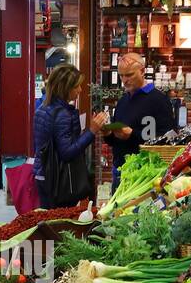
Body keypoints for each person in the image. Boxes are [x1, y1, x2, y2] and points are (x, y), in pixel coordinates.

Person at [32, 63, 106, 209]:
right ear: (65, 88)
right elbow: (67, 152)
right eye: (76, 86)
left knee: (49, 219)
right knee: (60, 223)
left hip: (43, 173)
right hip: (57, 179)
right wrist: (92, 131)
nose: (80, 90)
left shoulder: (43, 107)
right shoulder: (62, 114)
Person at [109, 52, 177, 189]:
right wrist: (108, 135)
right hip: (119, 173)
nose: (124, 80)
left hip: (145, 177)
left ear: (142, 71)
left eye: (129, 75)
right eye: (121, 75)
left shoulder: (159, 100)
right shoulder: (122, 101)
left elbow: (169, 139)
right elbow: (117, 142)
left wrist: (132, 134)